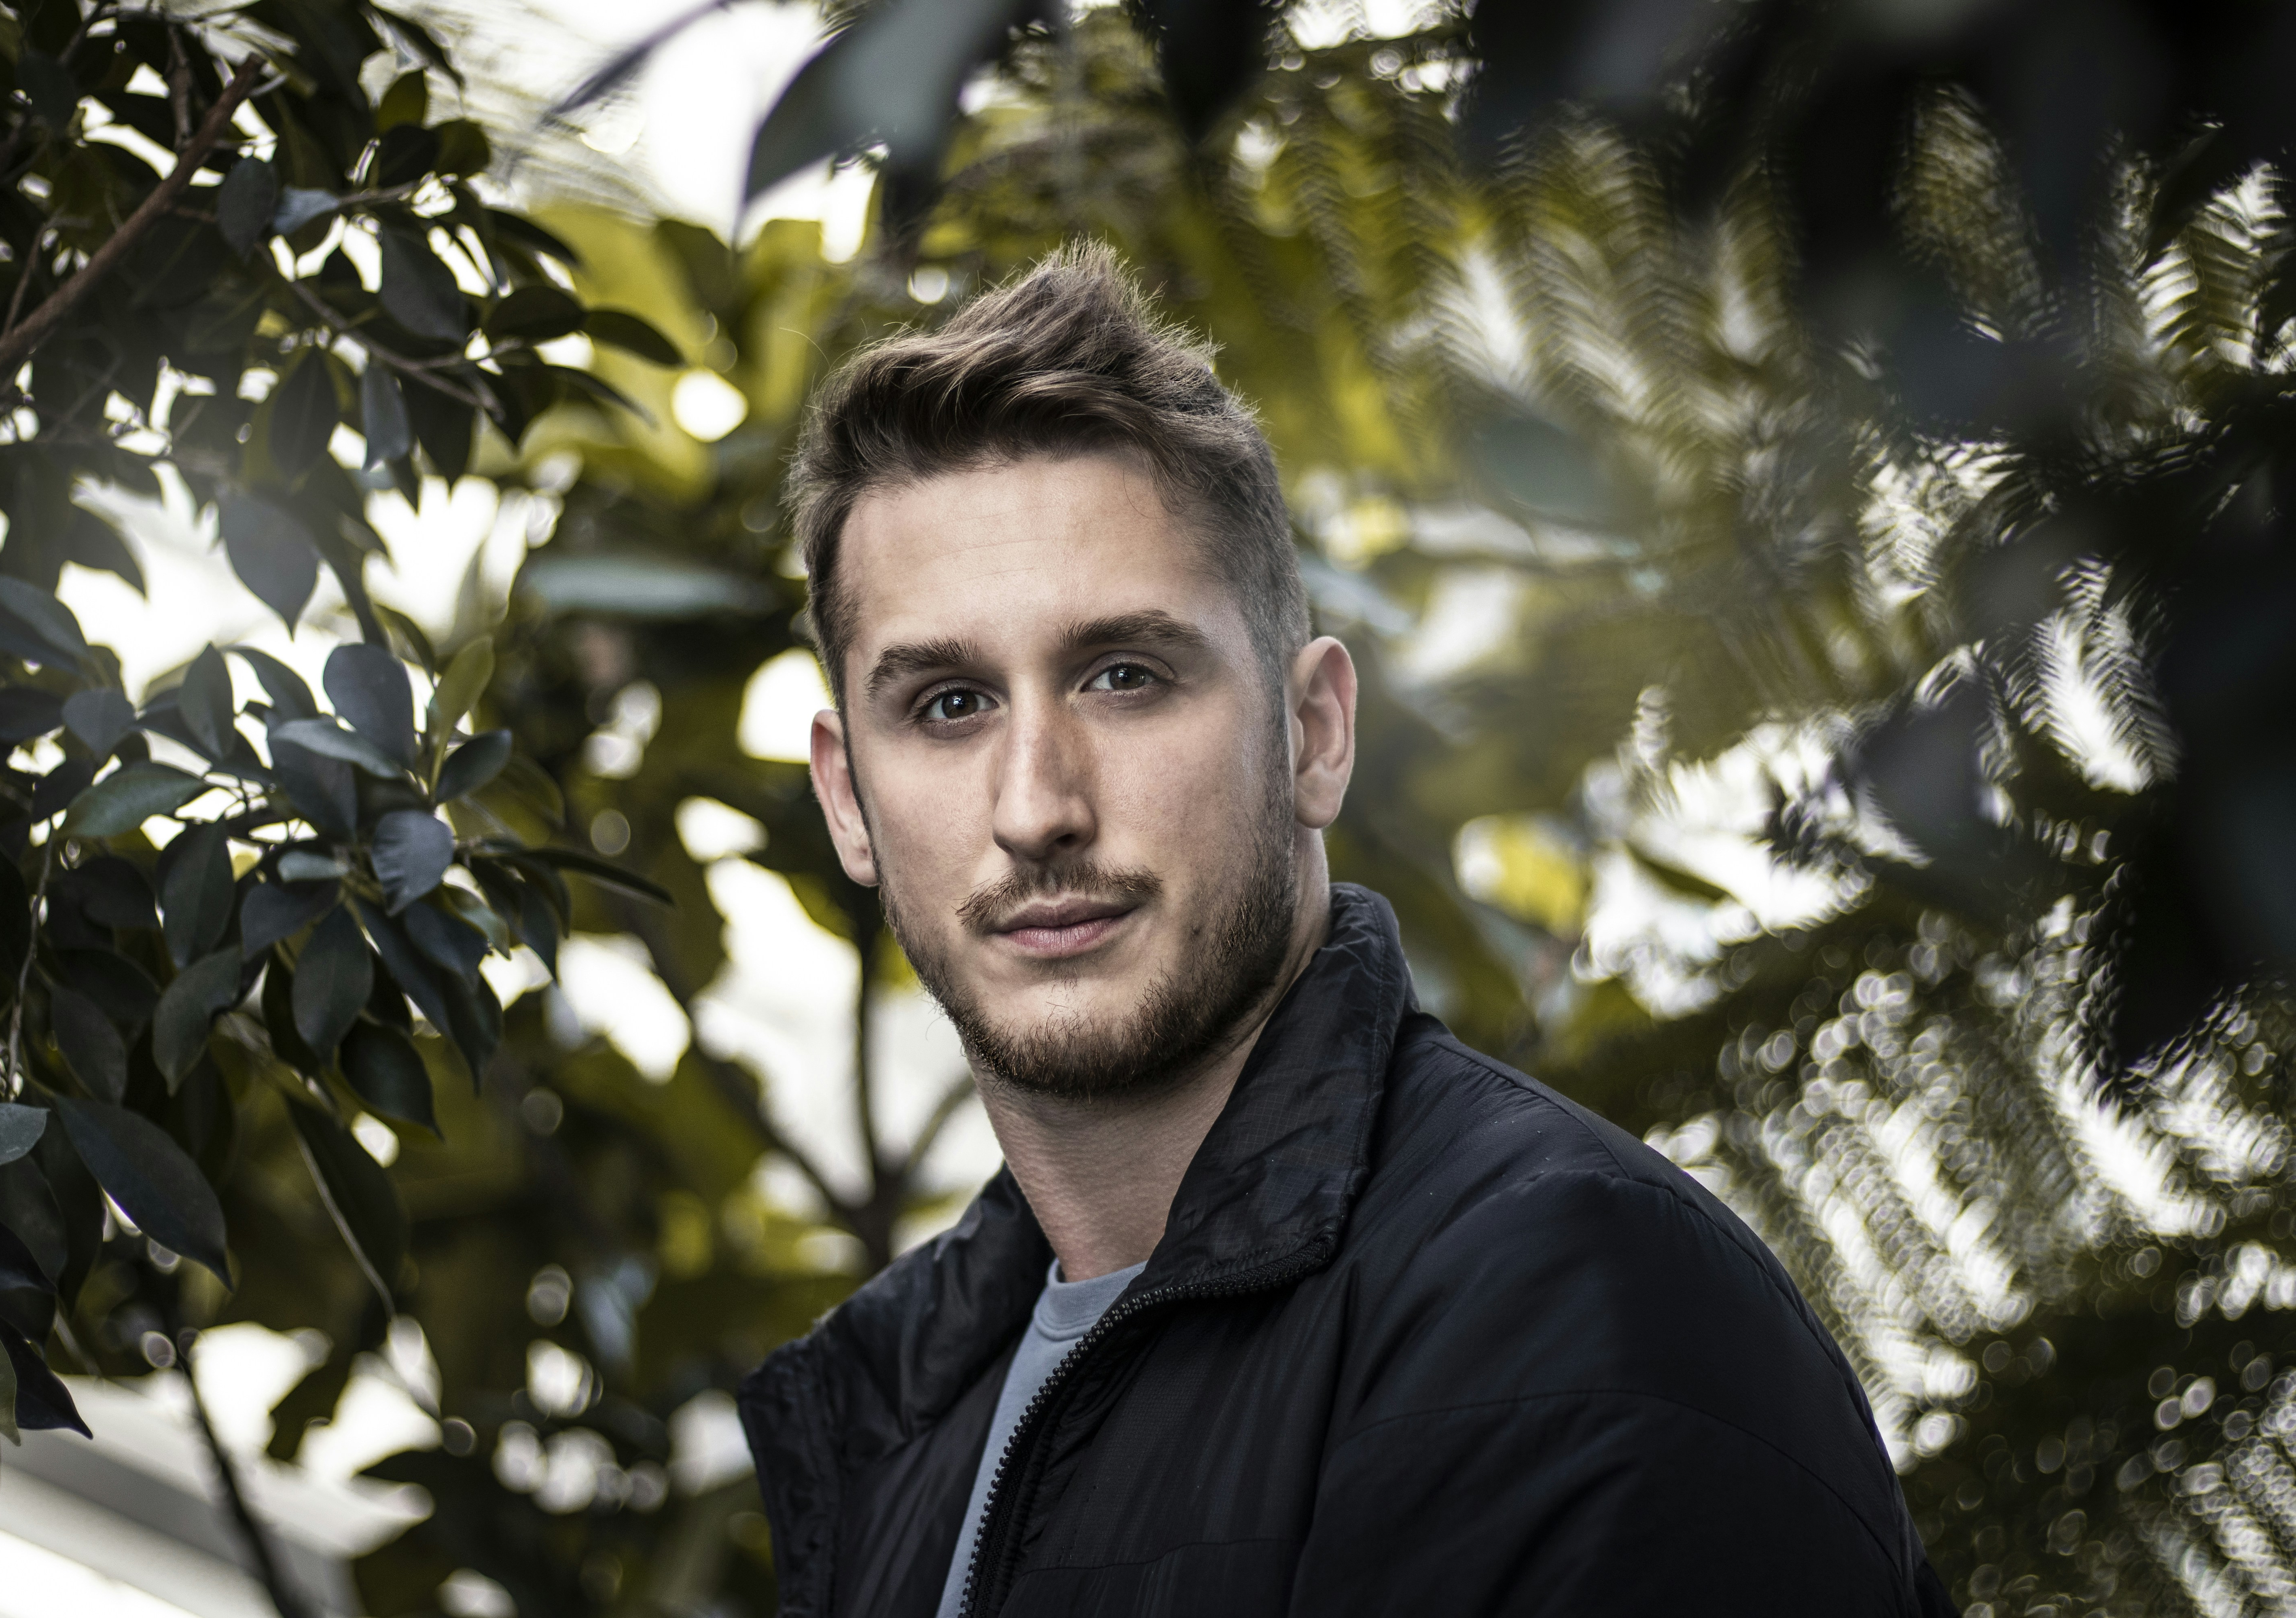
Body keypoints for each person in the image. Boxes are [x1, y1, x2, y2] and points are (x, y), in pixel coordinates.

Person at [736, 244, 1956, 1618]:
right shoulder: (913, 1409)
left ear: (1314, 735)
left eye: (1126, 677)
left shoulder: (1576, 1317)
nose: (1037, 808)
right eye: (950, 706)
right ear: (848, 797)